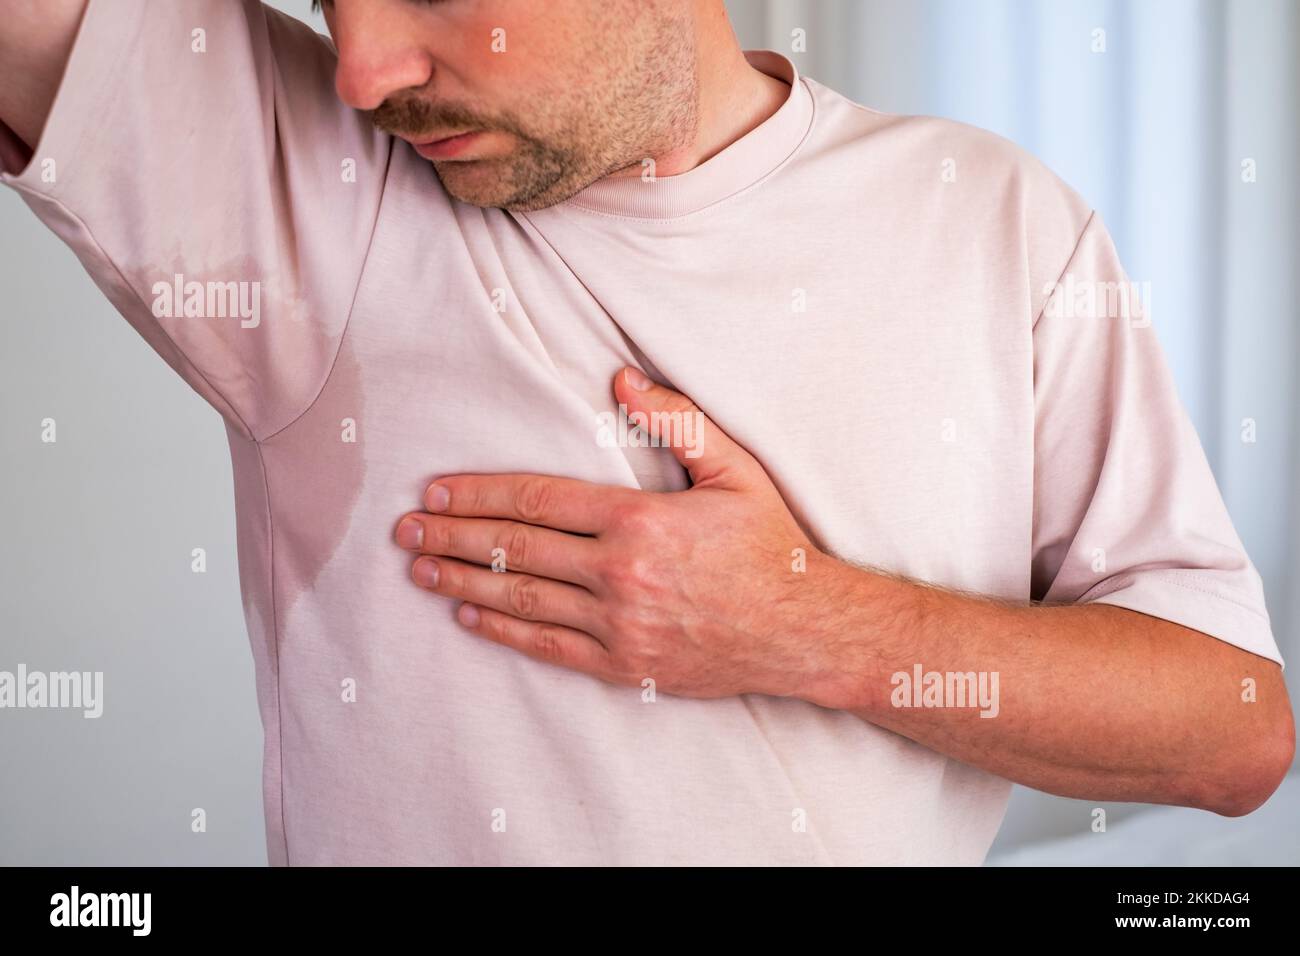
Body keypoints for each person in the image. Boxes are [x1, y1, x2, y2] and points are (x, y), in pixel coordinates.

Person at [1, 0, 1291, 866]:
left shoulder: (1003, 222)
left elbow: (1233, 730)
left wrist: (801, 624)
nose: (364, 68)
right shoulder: (310, 181)